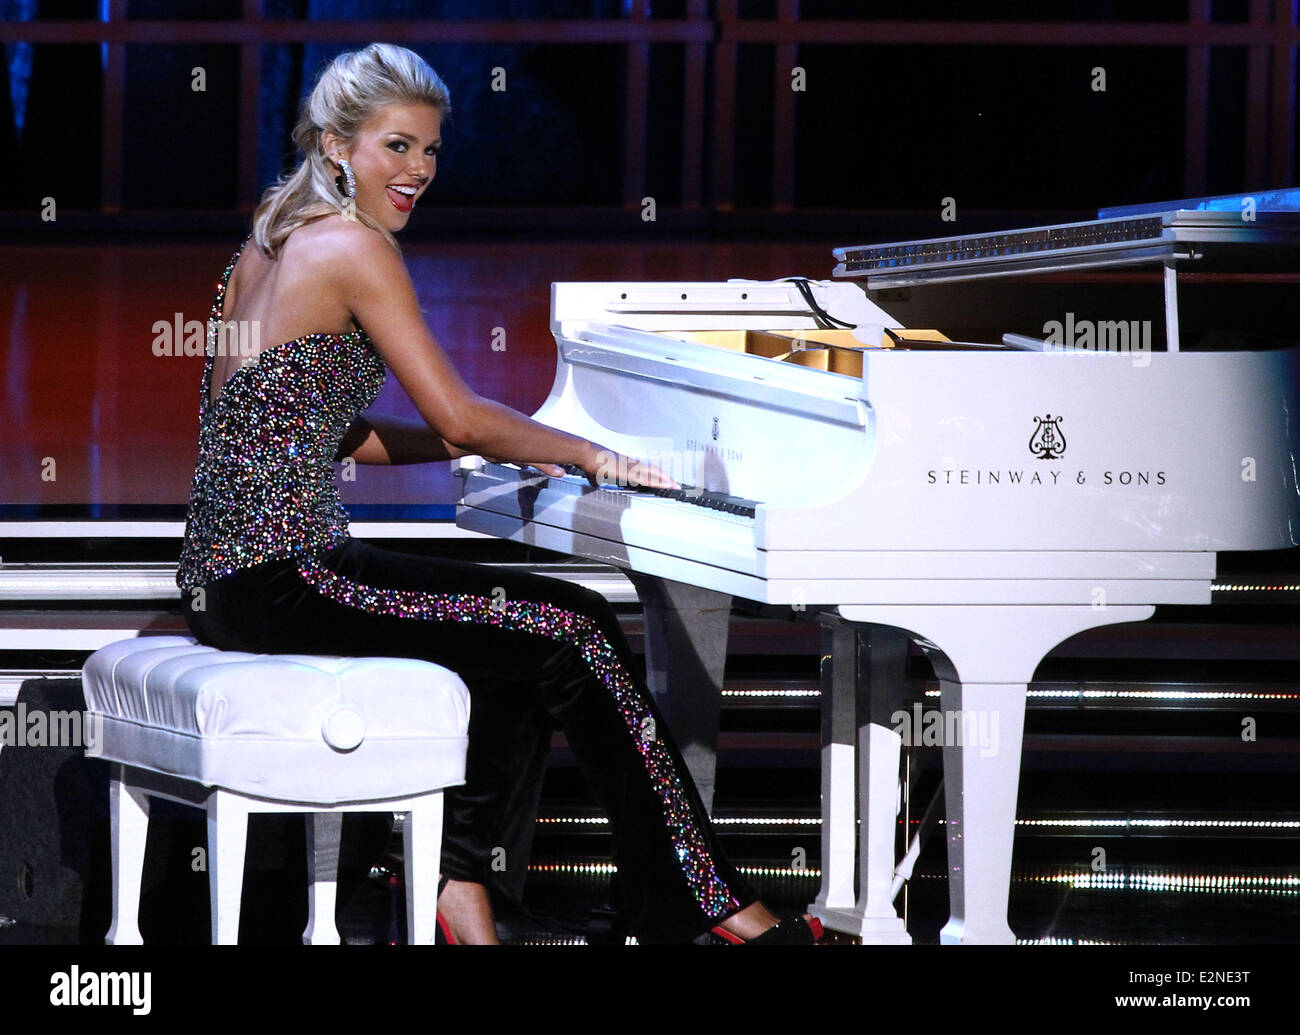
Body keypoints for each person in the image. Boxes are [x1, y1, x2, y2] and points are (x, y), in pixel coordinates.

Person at [176, 42, 819, 945]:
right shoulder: (353, 247)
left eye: (431, 151)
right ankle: (705, 907)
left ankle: (457, 886)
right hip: (290, 575)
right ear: (335, 145)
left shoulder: (265, 240)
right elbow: (464, 413)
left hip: (228, 577)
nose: (419, 172)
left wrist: (488, 449)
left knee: (512, 646)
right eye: (397, 147)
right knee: (575, 626)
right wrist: (587, 452)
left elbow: (319, 432)